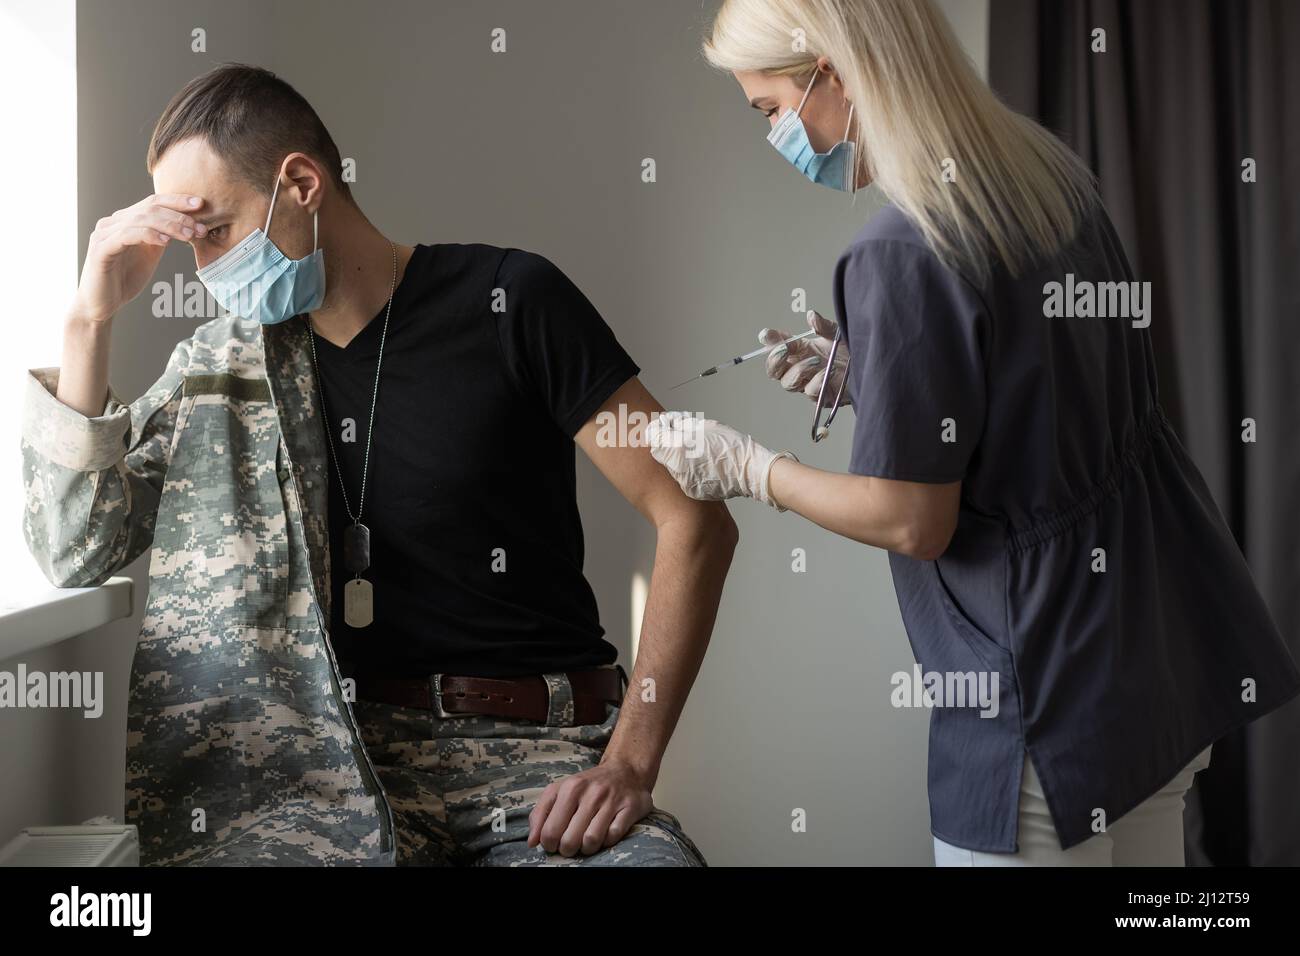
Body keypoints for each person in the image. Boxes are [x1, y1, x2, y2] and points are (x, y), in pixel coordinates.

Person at [20, 63, 735, 866]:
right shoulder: (220, 369)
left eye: (214, 232)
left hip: (538, 757)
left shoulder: (511, 301)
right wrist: (88, 321)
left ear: (299, 183)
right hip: (325, 782)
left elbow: (695, 516)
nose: (205, 271)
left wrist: (631, 762)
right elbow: (75, 544)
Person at [648, 0, 1300, 866]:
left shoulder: (898, 248)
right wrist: (881, 387)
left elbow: (915, 521)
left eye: (770, 109)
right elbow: (1052, 395)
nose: (775, 137)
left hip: (1041, 698)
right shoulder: (1039, 169)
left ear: (833, 73)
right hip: (1152, 652)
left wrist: (751, 468)